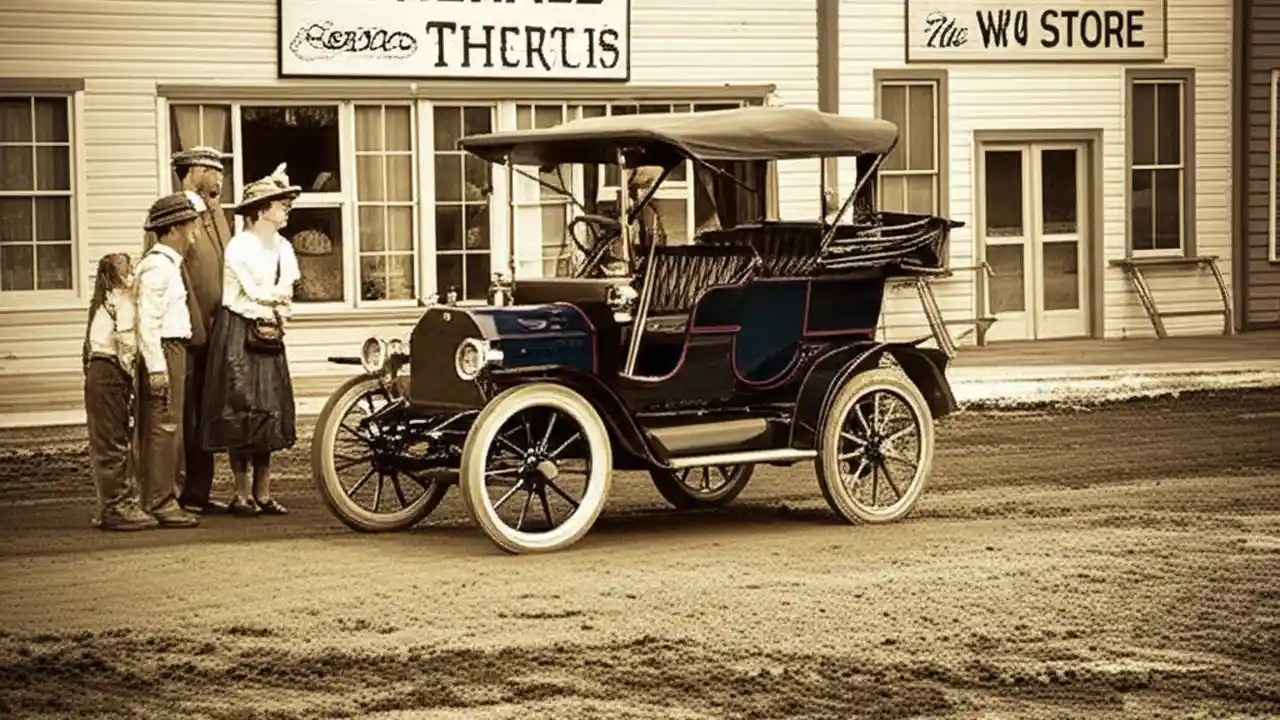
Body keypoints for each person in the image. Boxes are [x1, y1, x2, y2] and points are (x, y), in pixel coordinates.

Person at [200, 163, 301, 517]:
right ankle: (240, 493)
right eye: (280, 203)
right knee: (241, 408)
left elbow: (287, 287)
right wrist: (270, 304)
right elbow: (249, 293)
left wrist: (276, 308)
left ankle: (263, 491)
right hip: (239, 333)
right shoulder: (240, 247)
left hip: (268, 331)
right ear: (261, 210)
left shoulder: (283, 247)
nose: (286, 209)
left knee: (269, 408)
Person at [167, 146, 234, 516]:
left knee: (207, 412)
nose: (219, 178)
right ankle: (175, 493)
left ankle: (199, 491)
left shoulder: (217, 213)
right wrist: (195, 326)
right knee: (183, 414)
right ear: (193, 172)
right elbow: (177, 276)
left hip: (220, 330)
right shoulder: (174, 214)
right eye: (212, 171)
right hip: (190, 333)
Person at [135, 193, 203, 529]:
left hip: (174, 349)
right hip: (165, 349)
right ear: (174, 229)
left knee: (169, 425)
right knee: (163, 427)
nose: (194, 232)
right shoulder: (158, 268)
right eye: (190, 225)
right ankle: (160, 499)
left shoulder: (168, 266)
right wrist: (157, 368)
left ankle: (164, 495)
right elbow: (147, 321)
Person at [82, 253, 156, 531]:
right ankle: (118, 506)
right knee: (114, 442)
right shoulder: (122, 302)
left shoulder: (101, 304)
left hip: (98, 372)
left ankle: (109, 505)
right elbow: (126, 341)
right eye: (128, 269)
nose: (132, 273)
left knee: (105, 441)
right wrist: (132, 373)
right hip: (111, 372)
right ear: (117, 275)